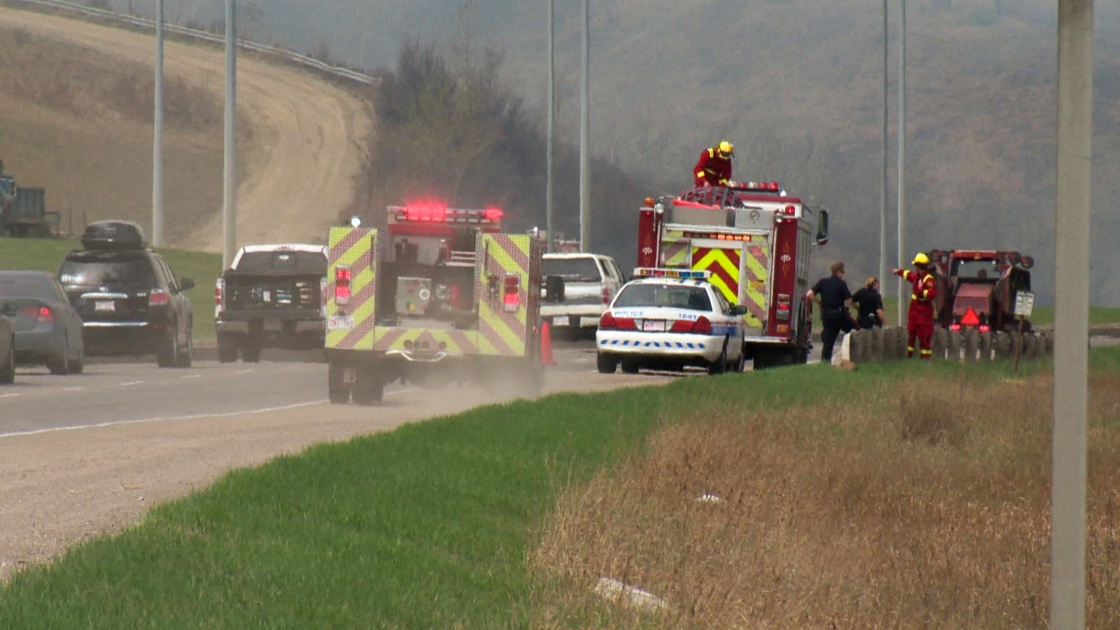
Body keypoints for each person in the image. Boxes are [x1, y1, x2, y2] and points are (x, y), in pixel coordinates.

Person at [805, 261, 855, 364]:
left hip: (826, 316)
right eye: (843, 271)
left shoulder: (823, 282)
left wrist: (819, 302)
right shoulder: (842, 284)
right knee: (853, 332)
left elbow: (809, 294)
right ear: (838, 272)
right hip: (839, 315)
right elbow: (849, 301)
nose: (843, 274)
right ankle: (853, 357)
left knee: (828, 342)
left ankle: (824, 362)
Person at [893, 252, 938, 360]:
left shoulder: (928, 279)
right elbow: (908, 275)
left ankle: (925, 358)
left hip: (924, 311)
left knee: (924, 336)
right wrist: (899, 272)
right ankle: (909, 357)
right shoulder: (917, 276)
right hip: (914, 311)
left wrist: (921, 292)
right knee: (910, 334)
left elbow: (932, 294)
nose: (915, 268)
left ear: (919, 266)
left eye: (916, 266)